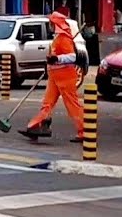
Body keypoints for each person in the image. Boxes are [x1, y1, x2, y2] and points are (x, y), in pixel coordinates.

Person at [21, 12, 86, 143]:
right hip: (55, 77)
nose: (49, 25)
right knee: (47, 103)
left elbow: (73, 57)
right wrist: (51, 63)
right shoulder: (57, 38)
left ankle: (84, 130)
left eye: (51, 23)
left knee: (72, 105)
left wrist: (56, 58)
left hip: (65, 77)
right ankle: (36, 126)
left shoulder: (64, 39)